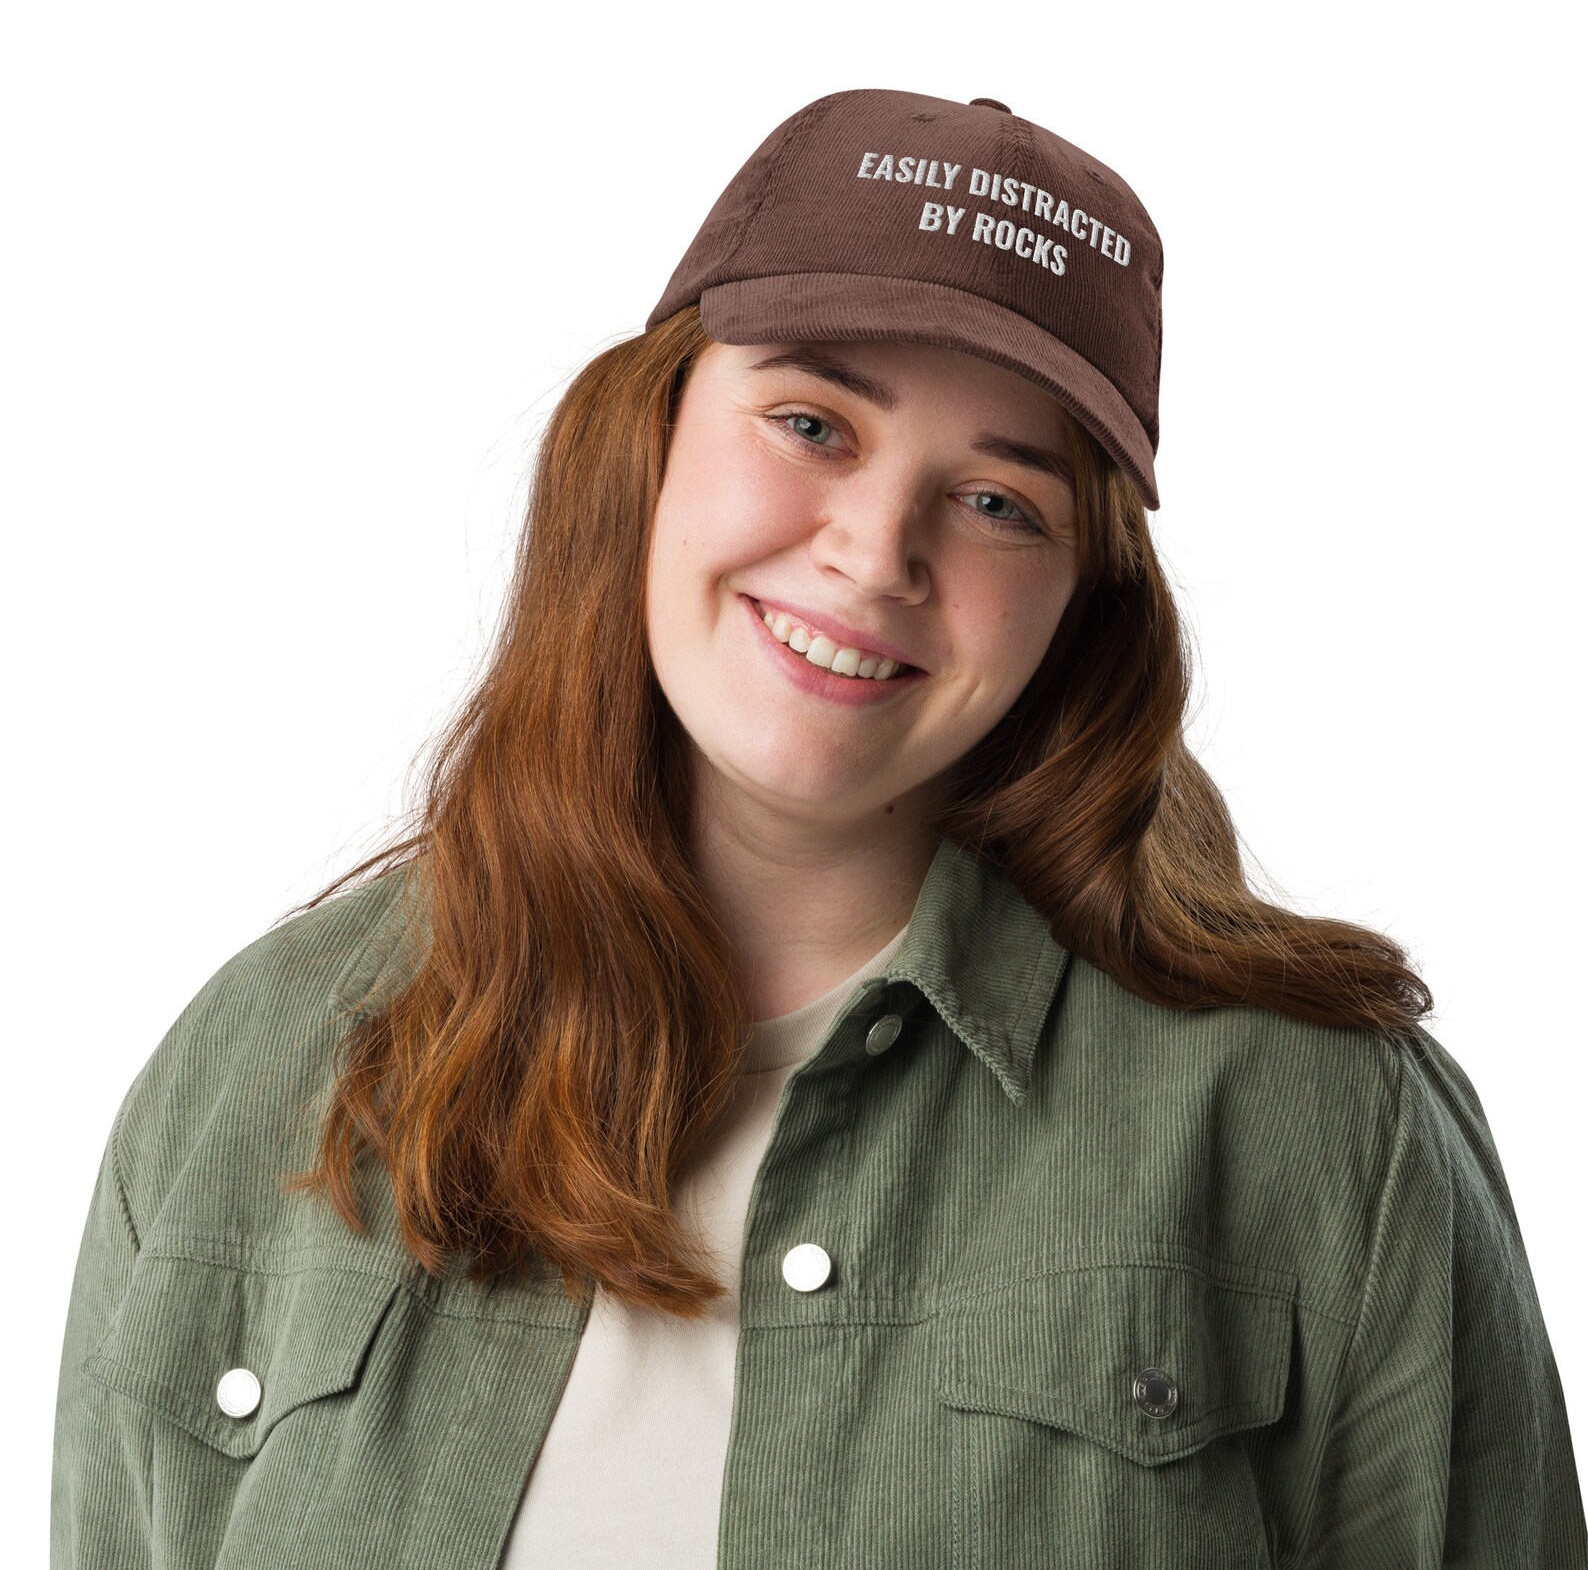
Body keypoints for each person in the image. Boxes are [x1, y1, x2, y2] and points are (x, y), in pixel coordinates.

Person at [50, 87, 1588, 1569]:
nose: (874, 554)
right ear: (641, 440)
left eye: (1000, 502)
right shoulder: (256, 1073)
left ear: (1081, 600)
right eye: (810, 422)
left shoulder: (1324, 1131)